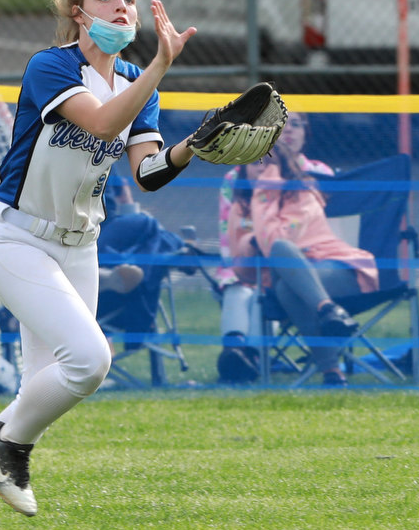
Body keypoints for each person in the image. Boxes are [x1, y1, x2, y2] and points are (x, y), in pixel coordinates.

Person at [0, 0, 199, 530]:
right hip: (15, 237)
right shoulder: (51, 66)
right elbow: (99, 123)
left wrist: (194, 145)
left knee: (42, 391)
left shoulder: (133, 81)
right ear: (79, 14)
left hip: (80, 247)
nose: (122, 6)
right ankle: (7, 447)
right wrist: (160, 68)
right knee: (90, 361)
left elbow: (147, 172)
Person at [225, 130, 377, 387]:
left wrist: (264, 198)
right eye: (254, 162)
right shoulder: (240, 206)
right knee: (284, 275)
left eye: (269, 163)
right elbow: (243, 269)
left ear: (283, 167)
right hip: (285, 281)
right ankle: (329, 312)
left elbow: (280, 239)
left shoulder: (303, 193)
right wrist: (260, 209)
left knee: (284, 268)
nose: (261, 170)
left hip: (338, 269)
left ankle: (332, 370)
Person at [215, 114, 335, 383]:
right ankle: (235, 353)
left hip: (304, 268)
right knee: (239, 286)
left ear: (307, 132)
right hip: (246, 264)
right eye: (280, 125)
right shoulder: (240, 175)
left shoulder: (317, 176)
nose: (288, 130)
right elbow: (230, 238)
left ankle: (253, 357)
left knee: (264, 287)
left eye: (296, 124)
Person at [95, 171, 196, 386]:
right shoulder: (101, 160)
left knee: (152, 239)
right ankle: (182, 247)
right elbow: (123, 208)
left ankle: (110, 275)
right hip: (96, 238)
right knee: (150, 227)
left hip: (101, 266)